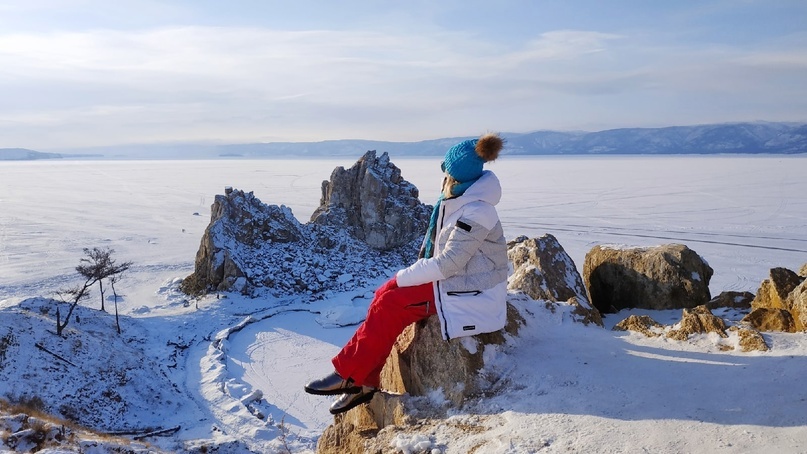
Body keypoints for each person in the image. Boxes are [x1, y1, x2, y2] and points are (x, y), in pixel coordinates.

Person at [304, 132, 509, 414]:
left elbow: (448, 263)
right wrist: (395, 282)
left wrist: (400, 278)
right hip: (457, 283)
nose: (443, 178)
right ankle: (361, 380)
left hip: (471, 292)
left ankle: (351, 376)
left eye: (445, 172)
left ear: (454, 178)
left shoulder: (476, 211)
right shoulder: (461, 202)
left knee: (389, 301)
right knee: (383, 297)